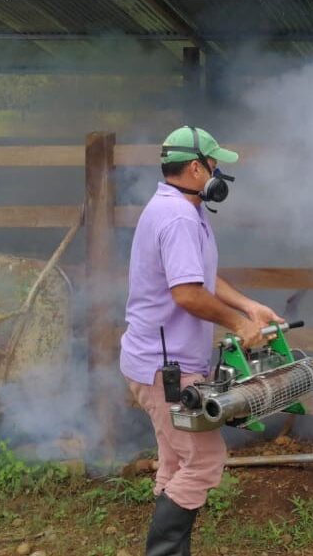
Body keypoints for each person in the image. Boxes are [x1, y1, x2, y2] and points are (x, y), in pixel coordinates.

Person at [120, 125, 283, 556]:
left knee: (176, 462)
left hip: (161, 363)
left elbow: (201, 277)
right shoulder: (176, 217)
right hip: (165, 369)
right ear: (196, 168)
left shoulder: (182, 209)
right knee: (207, 461)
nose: (219, 175)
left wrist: (249, 308)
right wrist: (237, 325)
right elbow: (187, 294)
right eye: (215, 165)